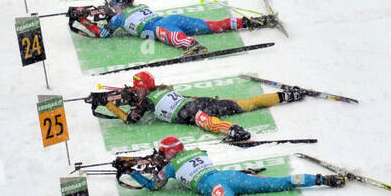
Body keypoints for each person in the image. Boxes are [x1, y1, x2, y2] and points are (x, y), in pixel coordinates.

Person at [117, 139, 345, 196]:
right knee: (278, 182)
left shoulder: (171, 167)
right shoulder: (197, 149)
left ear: (168, 154)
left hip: (213, 182)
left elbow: (152, 186)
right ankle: (320, 178)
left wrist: (132, 171)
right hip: (229, 174)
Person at [82, 67, 294, 140]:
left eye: (137, 87)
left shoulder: (146, 101)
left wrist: (109, 105)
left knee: (212, 124)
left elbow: (130, 119)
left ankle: (235, 131)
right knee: (247, 104)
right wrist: (121, 96)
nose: (134, 89)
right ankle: (285, 96)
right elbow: (134, 96)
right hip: (201, 101)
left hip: (191, 113)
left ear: (144, 87)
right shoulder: (161, 88)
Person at [72, 0, 279, 53]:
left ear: (117, 4)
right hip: (171, 19)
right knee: (214, 25)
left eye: (111, 4)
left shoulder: (119, 17)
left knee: (175, 38)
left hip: (161, 27)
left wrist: (83, 19)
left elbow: (102, 34)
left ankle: (192, 46)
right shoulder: (138, 5)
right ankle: (254, 21)